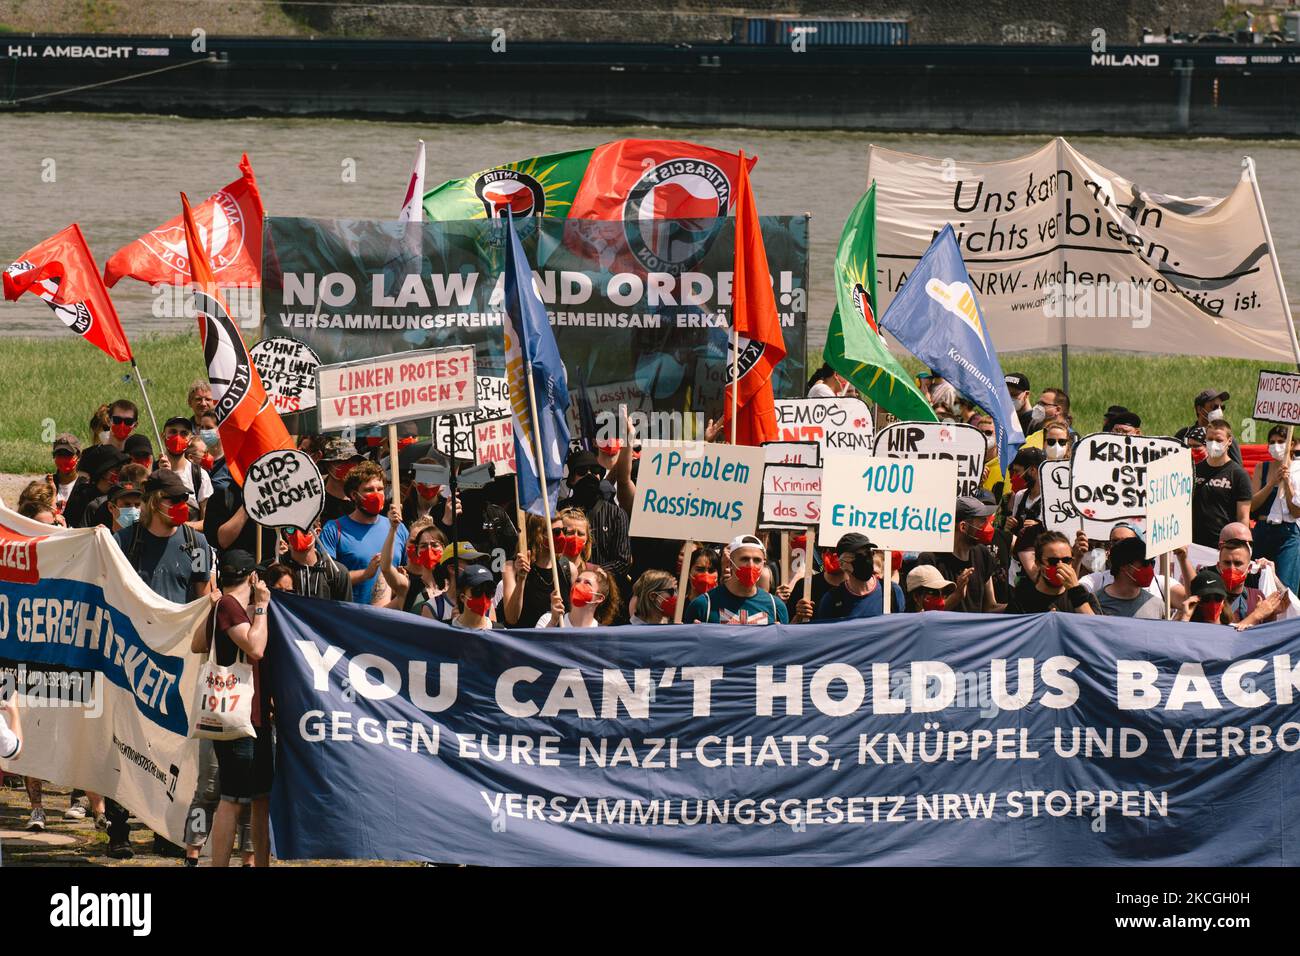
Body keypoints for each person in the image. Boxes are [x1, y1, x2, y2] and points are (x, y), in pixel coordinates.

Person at [192, 550, 273, 867]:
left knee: (260, 798)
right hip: (238, 719)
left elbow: (198, 643)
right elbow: (255, 646)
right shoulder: (228, 606)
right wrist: (262, 607)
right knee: (233, 798)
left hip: (256, 717)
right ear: (252, 577)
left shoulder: (225, 607)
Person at [113, 470, 213, 604]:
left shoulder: (197, 544)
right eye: (175, 499)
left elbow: (203, 599)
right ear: (154, 502)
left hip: (180, 624)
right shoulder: (123, 541)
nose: (182, 505)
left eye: (184, 498)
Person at [319, 460, 407, 605]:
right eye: (369, 490)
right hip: (351, 618)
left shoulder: (398, 528)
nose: (376, 494)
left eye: (380, 489)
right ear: (354, 495)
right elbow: (327, 579)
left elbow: (408, 571)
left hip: (390, 618)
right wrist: (365, 574)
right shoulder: (334, 529)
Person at [557, 450, 633, 598]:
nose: (590, 475)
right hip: (565, 591)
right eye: (582, 471)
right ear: (572, 479)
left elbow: (623, 561)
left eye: (595, 470)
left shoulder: (616, 514)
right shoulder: (558, 512)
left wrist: (588, 572)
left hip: (604, 595)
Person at [915, 496, 1002, 613]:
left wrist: (1019, 609)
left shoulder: (983, 554)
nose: (987, 525)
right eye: (982, 520)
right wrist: (957, 596)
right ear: (963, 527)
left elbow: (990, 607)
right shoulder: (930, 560)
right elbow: (924, 614)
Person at [683, 535, 792, 625]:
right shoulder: (703, 605)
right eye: (744, 559)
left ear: (764, 564)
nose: (751, 565)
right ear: (730, 563)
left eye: (757, 560)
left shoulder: (776, 607)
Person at [1249, 424, 1300, 593]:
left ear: (1291, 444)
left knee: (1284, 587)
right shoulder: (1261, 468)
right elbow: (1252, 505)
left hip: (1287, 532)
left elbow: (1296, 511)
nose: (1276, 445)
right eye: (1272, 442)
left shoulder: (1298, 470)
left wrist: (1287, 483)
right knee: (1255, 584)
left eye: (1281, 441)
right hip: (1263, 530)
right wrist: (1272, 483)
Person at [503, 514, 572, 627]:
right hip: (524, 642)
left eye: (564, 530)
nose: (562, 536)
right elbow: (511, 618)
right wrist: (521, 579)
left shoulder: (568, 568)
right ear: (538, 535)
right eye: (556, 532)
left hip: (555, 642)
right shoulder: (511, 568)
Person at [1005, 531, 1098, 614]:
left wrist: (1077, 596)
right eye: (1053, 561)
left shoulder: (1084, 596)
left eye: (1066, 560)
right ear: (1038, 563)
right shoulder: (1022, 601)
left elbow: (1096, 629)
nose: (1060, 566)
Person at [1192, 419, 1252, 548]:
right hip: (1193, 544)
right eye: (1210, 439)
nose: (1213, 443)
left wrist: (1239, 546)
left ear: (1229, 441)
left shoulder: (1239, 475)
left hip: (1222, 546)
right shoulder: (1194, 470)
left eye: (1219, 440)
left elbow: (1243, 518)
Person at [813, 533, 902, 620]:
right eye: (857, 556)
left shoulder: (892, 591)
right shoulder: (832, 600)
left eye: (868, 553)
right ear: (842, 564)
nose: (865, 558)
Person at [1217, 535, 1289, 627]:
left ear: (1249, 568)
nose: (1232, 568)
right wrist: (1256, 615)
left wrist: (1271, 615)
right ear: (1219, 567)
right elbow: (1217, 635)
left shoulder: (1258, 596)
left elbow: (1267, 636)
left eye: (1238, 563)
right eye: (1227, 563)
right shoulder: (1211, 597)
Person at [280, 520, 352, 601]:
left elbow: (345, 611)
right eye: (291, 529)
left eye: (304, 528)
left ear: (317, 532)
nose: (297, 533)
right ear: (286, 534)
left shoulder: (336, 573)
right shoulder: (275, 568)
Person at [1097, 536, 1165, 618]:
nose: (1149, 568)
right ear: (1124, 566)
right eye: (1145, 564)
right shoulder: (1095, 603)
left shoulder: (1157, 605)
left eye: (1151, 563)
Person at [63, 443, 127, 529]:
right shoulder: (81, 496)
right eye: (117, 469)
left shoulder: (121, 494)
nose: (120, 472)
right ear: (103, 471)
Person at [538, 564, 622, 628]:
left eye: (587, 583)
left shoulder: (601, 634)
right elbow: (535, 649)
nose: (579, 585)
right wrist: (553, 622)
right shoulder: (548, 619)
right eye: (577, 581)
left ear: (599, 598)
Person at [1176, 388, 1242, 465]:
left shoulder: (1225, 438)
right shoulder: (1183, 434)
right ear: (1200, 409)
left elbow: (1237, 468)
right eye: (1215, 407)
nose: (1219, 410)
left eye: (1222, 407)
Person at [319, 438, 365, 522]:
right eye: (340, 462)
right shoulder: (317, 498)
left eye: (352, 461)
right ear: (328, 465)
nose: (348, 466)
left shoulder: (361, 497)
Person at [452, 565, 504, 630]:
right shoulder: (445, 630)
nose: (483, 597)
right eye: (477, 591)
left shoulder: (501, 633)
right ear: (462, 597)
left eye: (489, 591)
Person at [48, 433, 82, 514]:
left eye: (68, 454)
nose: (63, 458)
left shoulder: (85, 488)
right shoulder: (46, 484)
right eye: (59, 454)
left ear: (78, 456)